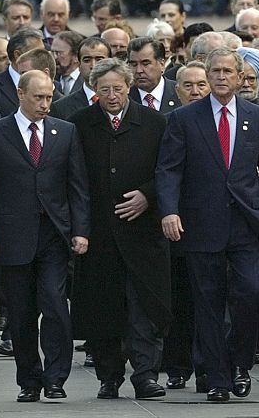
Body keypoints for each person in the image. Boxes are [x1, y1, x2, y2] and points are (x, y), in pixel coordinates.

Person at [155, 48, 259, 403]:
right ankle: (218, 377)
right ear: (207, 75)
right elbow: (169, 169)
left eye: (227, 71)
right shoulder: (186, 118)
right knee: (207, 302)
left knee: (253, 293)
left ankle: (240, 361)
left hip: (245, 223)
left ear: (239, 77)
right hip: (201, 223)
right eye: (214, 71)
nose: (221, 77)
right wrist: (169, 211)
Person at [0, 70, 90, 402]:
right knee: (21, 314)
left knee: (56, 306)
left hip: (54, 233)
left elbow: (77, 186)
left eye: (50, 97)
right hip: (13, 236)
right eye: (38, 97)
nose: (45, 104)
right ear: (20, 94)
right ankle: (29, 380)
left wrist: (81, 230)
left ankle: (56, 378)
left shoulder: (65, 132)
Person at [70, 58, 172, 400]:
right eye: (104, 89)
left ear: (129, 87)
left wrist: (148, 195)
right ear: (94, 91)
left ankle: (145, 375)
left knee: (144, 307)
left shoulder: (155, 123)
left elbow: (170, 171)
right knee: (103, 307)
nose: (112, 96)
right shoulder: (81, 124)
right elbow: (75, 178)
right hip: (99, 234)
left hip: (143, 233)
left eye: (117, 88)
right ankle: (108, 376)